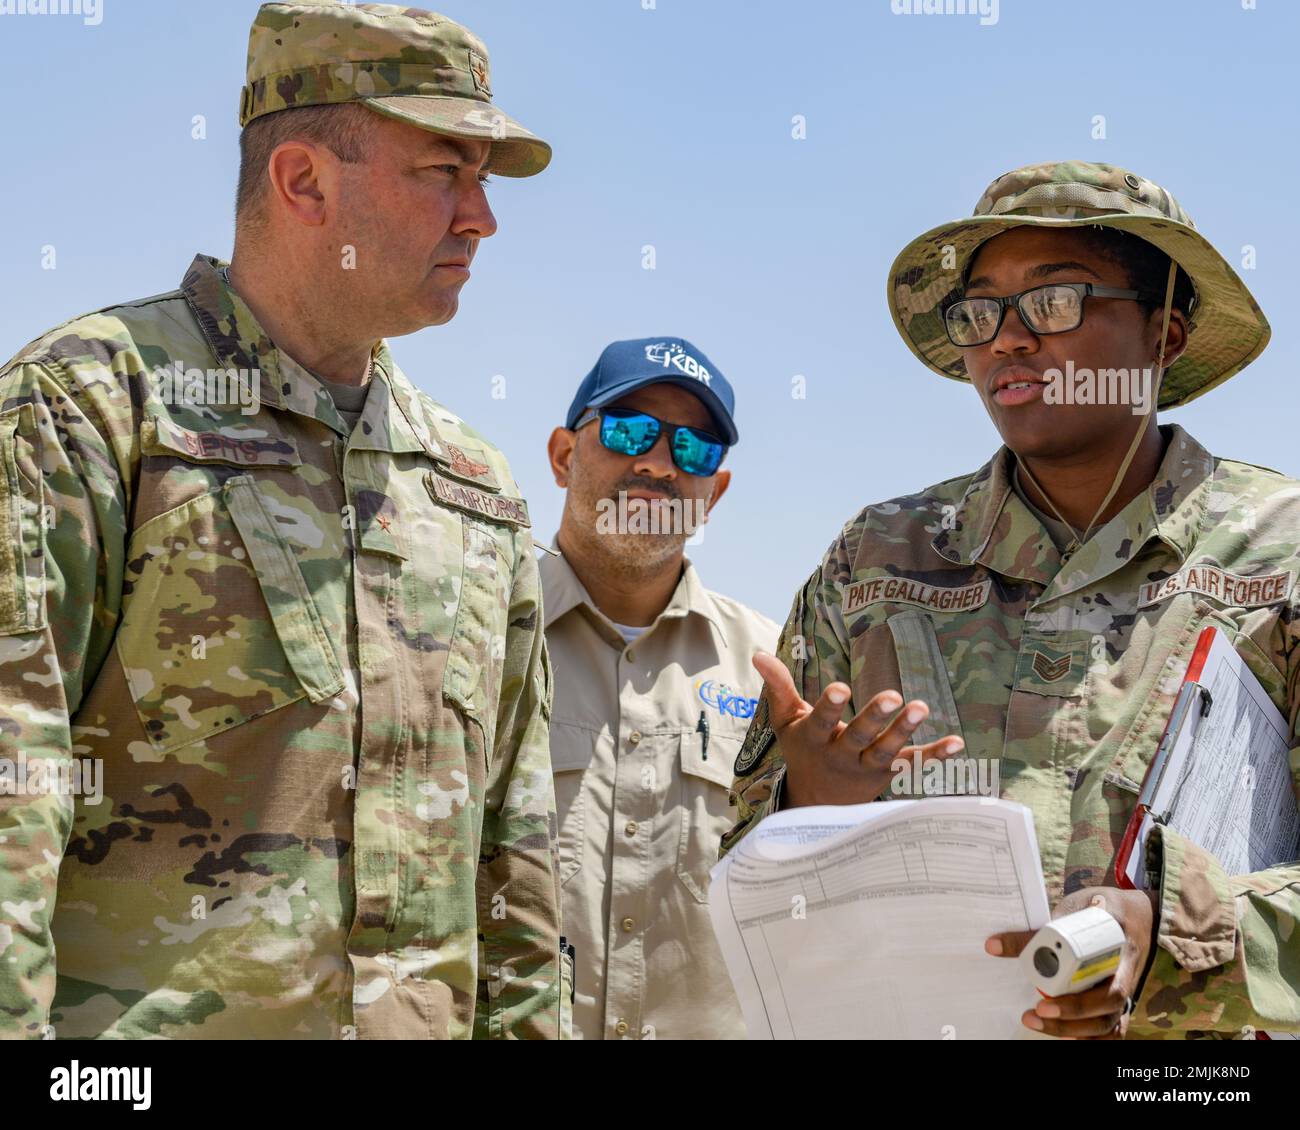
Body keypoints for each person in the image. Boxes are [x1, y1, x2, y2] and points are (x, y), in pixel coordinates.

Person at [0, 1, 561, 1039]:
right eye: (445, 172)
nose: (481, 217)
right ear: (302, 180)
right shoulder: (91, 404)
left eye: (483, 179)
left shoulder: (474, 487)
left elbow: (513, 853)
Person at [724, 161, 1299, 1039]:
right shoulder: (876, 558)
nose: (1009, 340)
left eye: (1056, 301)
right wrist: (806, 805)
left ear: (1165, 333)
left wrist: (1172, 933)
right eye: (979, 312)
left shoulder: (1281, 554)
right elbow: (741, 872)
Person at [542, 337, 778, 1038]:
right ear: (562, 456)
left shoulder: (774, 668)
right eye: (627, 430)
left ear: (717, 490)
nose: (657, 463)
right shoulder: (473, 637)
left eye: (695, 449)